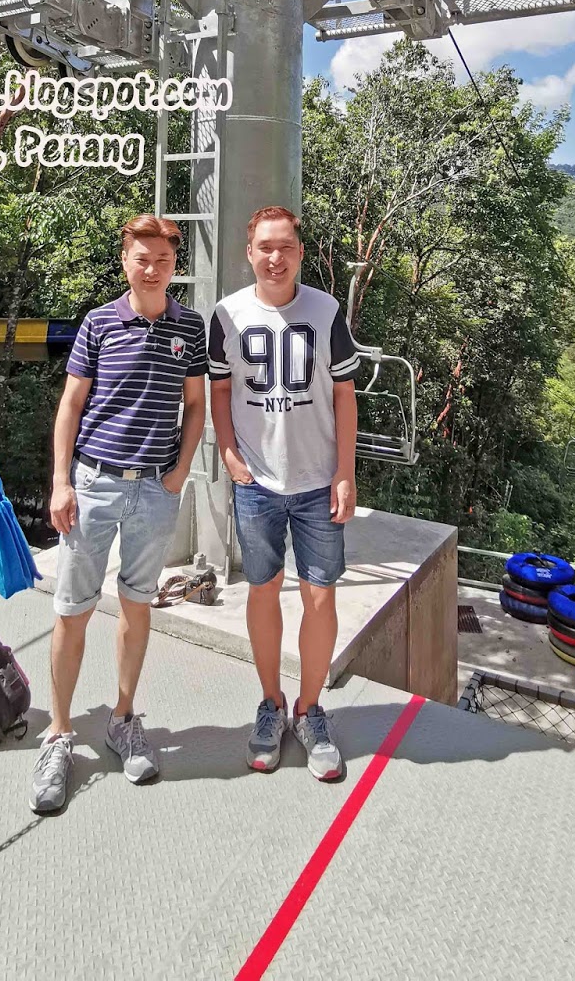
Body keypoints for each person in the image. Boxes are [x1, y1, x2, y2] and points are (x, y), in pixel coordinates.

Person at [29, 215, 207, 815]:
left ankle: (123, 718)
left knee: (136, 603)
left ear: (173, 263)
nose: (152, 267)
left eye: (161, 258)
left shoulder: (189, 327)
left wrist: (179, 473)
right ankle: (58, 734)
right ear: (125, 260)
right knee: (72, 609)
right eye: (141, 257)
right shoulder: (99, 323)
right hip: (94, 486)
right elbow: (70, 405)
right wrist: (60, 482)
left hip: (154, 491)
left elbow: (195, 408)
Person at [208, 205, 360, 783]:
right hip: (259, 483)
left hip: (318, 480)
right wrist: (228, 452)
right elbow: (219, 390)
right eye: (264, 247)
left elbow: (345, 396)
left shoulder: (326, 311)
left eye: (286, 247)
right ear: (249, 252)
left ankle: (310, 709)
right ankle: (270, 705)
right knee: (262, 591)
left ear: (300, 251)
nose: (275, 257)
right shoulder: (227, 314)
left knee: (320, 596)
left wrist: (344, 472)